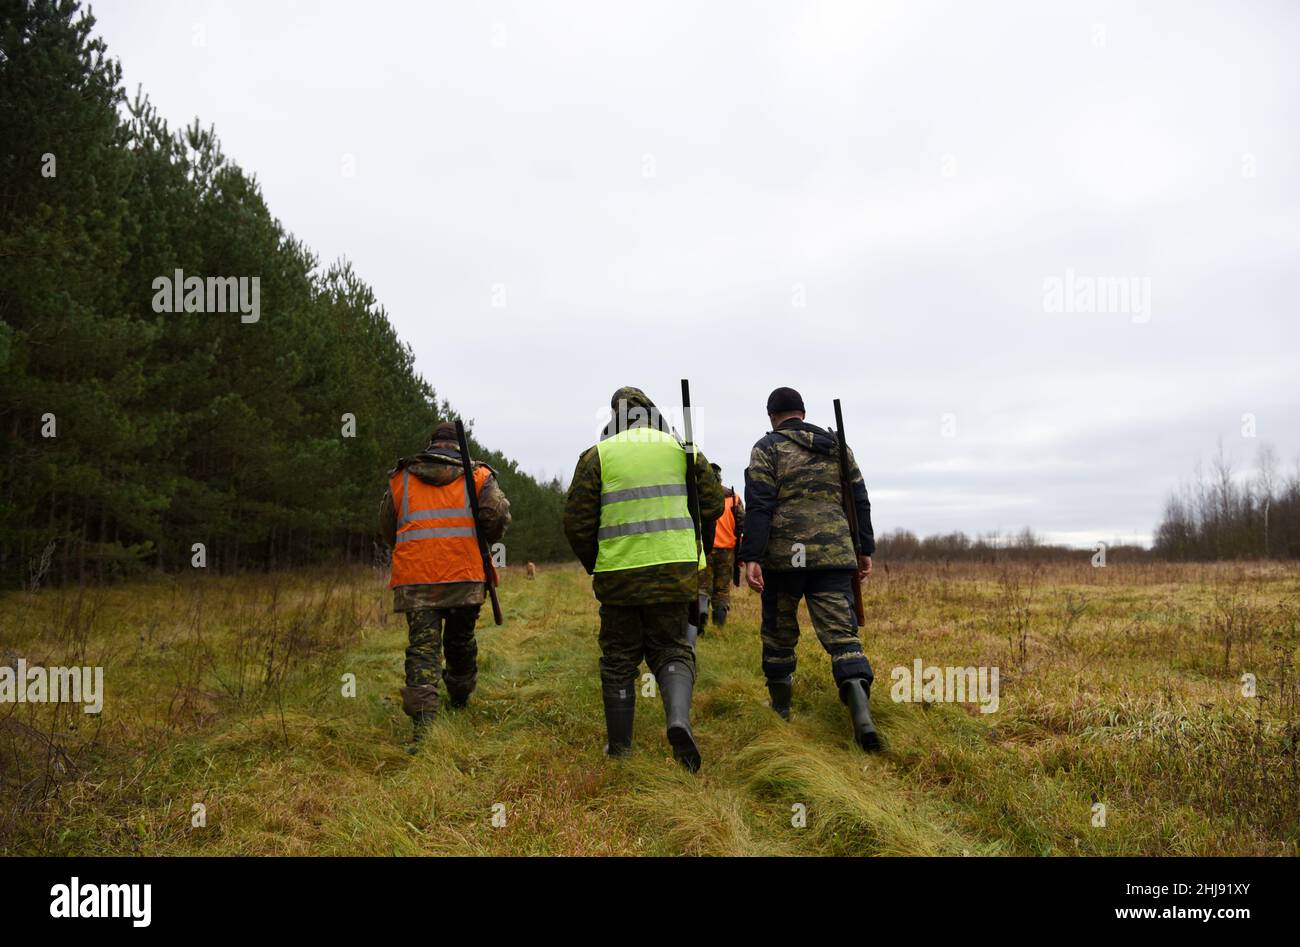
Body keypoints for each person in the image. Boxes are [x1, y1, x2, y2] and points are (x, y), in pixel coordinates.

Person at [563, 386, 723, 771]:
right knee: (672, 650)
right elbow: (714, 504)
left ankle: (620, 749)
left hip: (619, 577)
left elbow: (576, 521)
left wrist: (597, 562)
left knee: (618, 660)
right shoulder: (682, 450)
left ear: (614, 416)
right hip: (674, 573)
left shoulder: (598, 455)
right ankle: (678, 720)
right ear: (653, 413)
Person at [737, 387, 880, 751]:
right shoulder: (838, 447)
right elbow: (859, 499)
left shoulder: (767, 448)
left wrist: (751, 556)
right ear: (802, 412)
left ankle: (781, 710)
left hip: (784, 559)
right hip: (834, 554)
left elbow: (759, 504)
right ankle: (862, 717)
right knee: (843, 637)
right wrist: (864, 549)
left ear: (772, 416)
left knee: (779, 635)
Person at [379, 422, 511, 744]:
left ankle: (424, 724)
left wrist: (412, 549)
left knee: (422, 647)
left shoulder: (402, 477)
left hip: (417, 577)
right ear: (459, 445)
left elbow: (386, 525)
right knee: (460, 640)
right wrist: (481, 538)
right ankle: (460, 697)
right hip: (464, 574)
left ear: (431, 444)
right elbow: (496, 517)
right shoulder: (478, 476)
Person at [698, 463, 745, 629]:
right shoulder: (734, 498)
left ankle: (700, 625)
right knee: (722, 590)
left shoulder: (700, 497)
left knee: (702, 588)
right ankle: (720, 627)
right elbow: (742, 526)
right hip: (727, 552)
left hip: (704, 550)